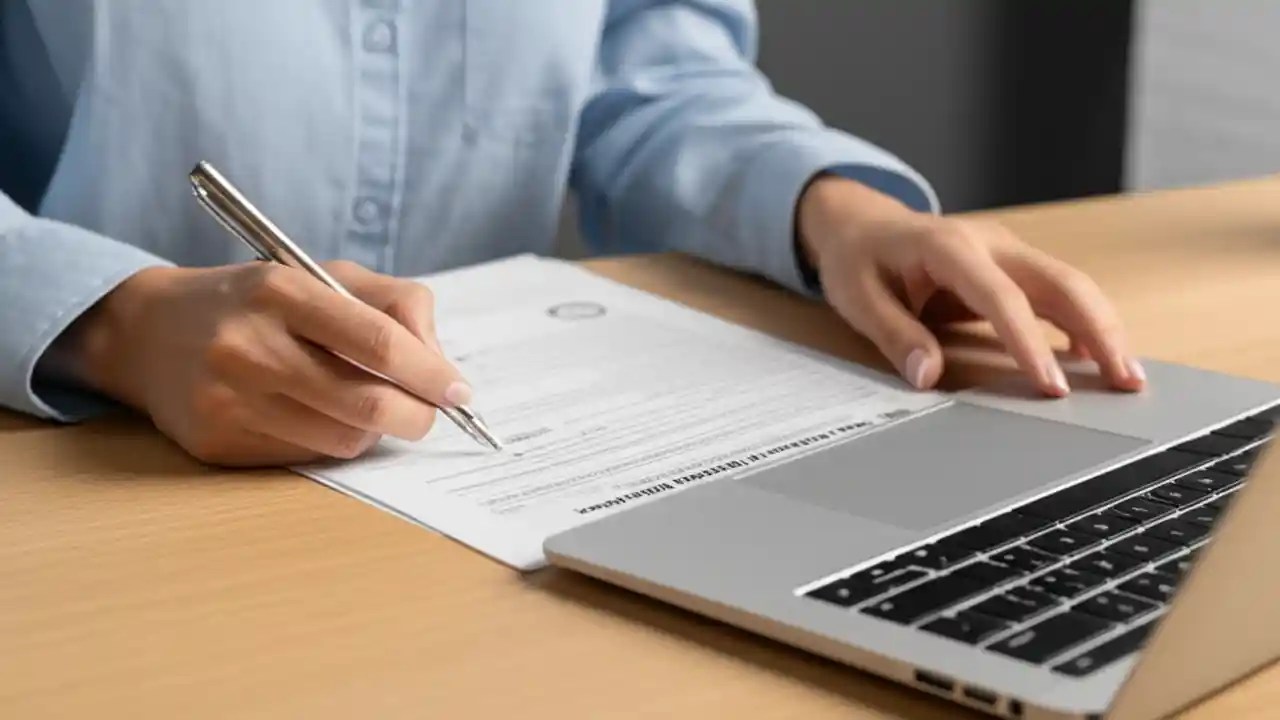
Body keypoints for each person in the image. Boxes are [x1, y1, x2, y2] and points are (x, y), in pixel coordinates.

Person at [0, 2, 1144, 467]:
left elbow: (638, 60)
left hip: (423, 498)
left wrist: (829, 209)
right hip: (76, 475)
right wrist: (114, 321)